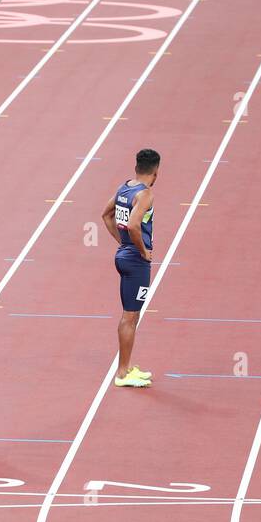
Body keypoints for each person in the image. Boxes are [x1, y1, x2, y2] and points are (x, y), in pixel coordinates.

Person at [102, 148, 161, 388]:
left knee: (132, 314)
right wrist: (141, 250)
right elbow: (135, 225)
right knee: (130, 315)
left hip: (124, 256)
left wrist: (123, 243)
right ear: (156, 172)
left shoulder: (125, 187)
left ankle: (126, 368)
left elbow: (106, 215)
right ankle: (123, 373)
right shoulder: (145, 194)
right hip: (136, 262)